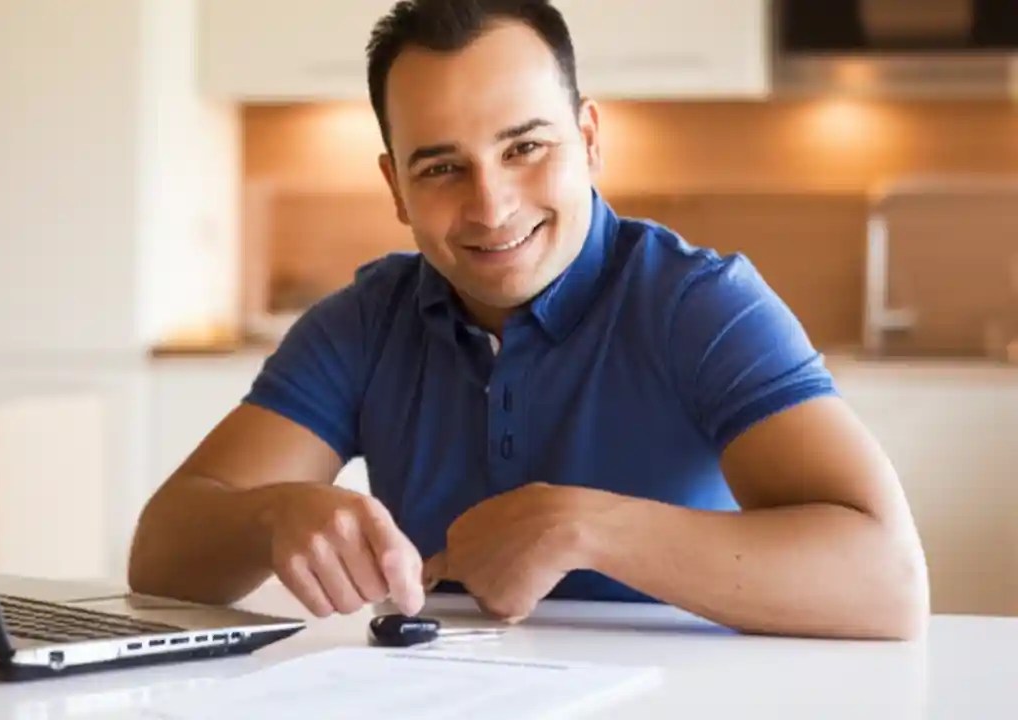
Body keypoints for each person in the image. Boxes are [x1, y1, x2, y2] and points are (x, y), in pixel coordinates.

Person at [129, 0, 929, 639]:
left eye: (524, 148)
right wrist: (275, 513)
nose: (491, 205)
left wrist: (583, 527)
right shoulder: (366, 322)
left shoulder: (700, 304)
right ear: (396, 188)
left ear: (586, 138)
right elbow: (160, 558)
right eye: (442, 167)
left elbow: (888, 584)